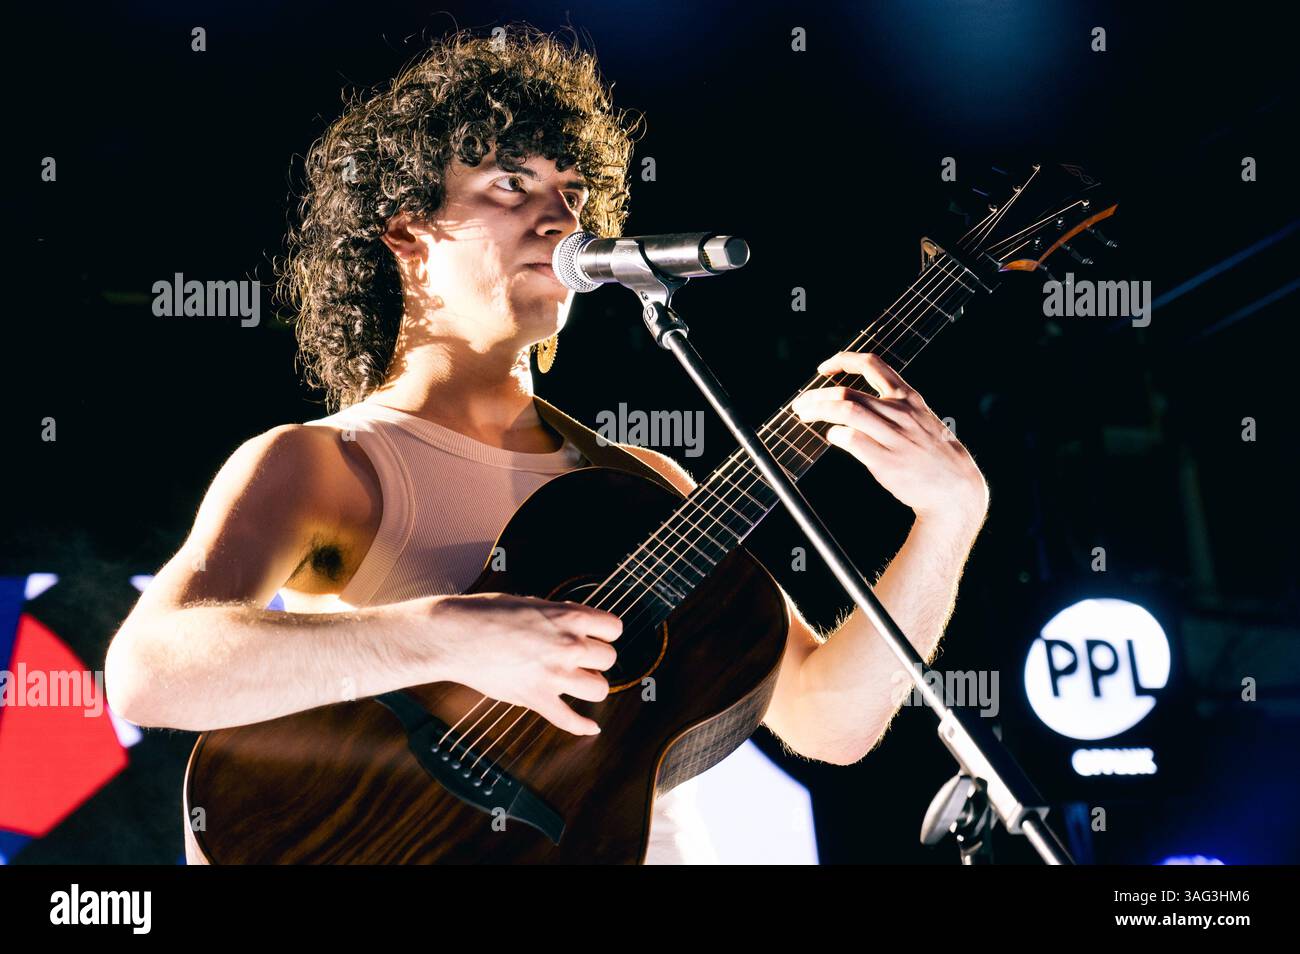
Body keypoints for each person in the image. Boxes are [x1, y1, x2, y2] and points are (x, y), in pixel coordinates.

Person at [104, 24, 989, 864]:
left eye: (573, 192)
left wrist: (948, 523)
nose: (562, 217)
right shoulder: (324, 464)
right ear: (409, 237)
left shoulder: (641, 482)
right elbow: (151, 670)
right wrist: (445, 636)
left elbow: (831, 722)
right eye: (511, 186)